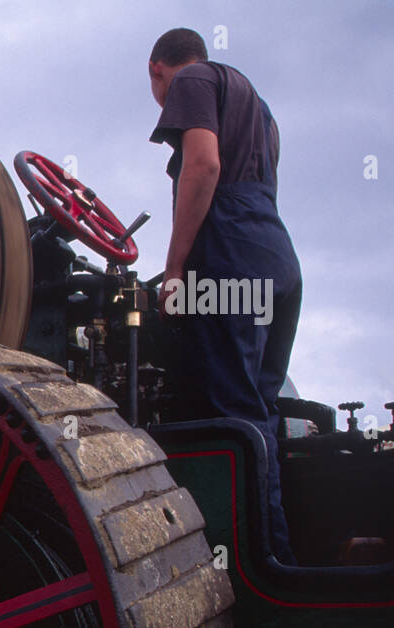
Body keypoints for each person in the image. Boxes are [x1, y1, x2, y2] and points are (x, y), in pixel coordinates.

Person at [148, 27, 302, 564]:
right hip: (276, 263)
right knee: (259, 415)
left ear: (156, 70)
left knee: (229, 419)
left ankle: (247, 577)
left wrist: (172, 268)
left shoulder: (191, 79)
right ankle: (280, 560)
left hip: (231, 263)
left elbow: (204, 165)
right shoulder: (259, 108)